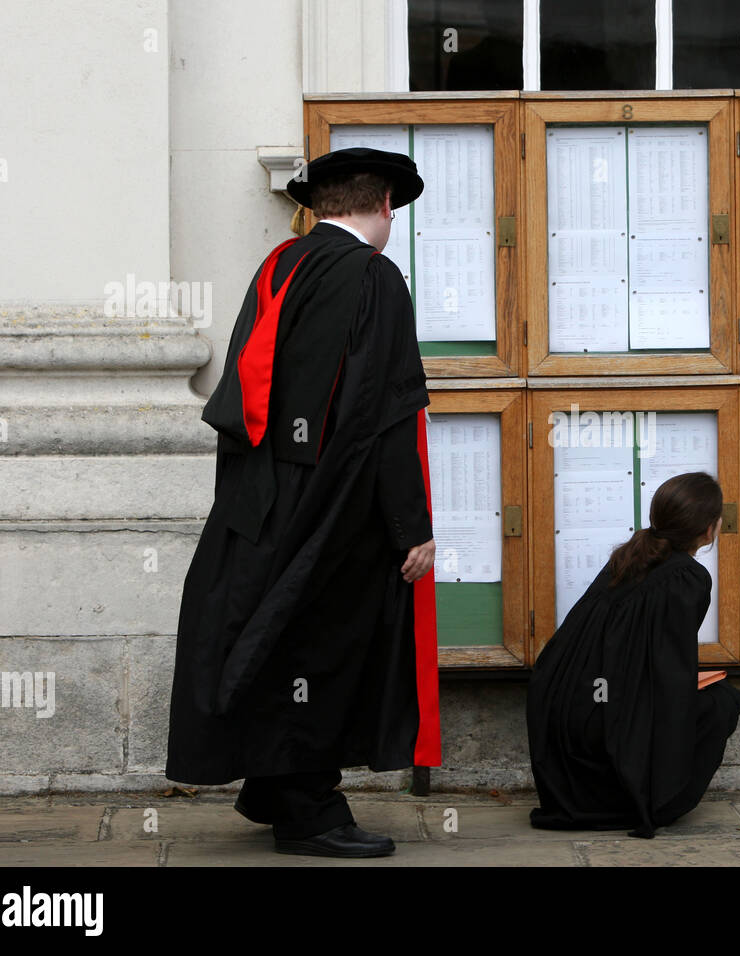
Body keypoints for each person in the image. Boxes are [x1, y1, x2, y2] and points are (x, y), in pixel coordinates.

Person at [165, 148, 440, 858]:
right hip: (334, 507)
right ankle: (310, 811)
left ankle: (273, 783)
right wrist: (411, 526)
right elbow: (385, 413)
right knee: (323, 648)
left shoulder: (281, 267)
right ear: (383, 204)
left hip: (259, 499)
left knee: (275, 637)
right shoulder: (373, 278)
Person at [526, 471, 740, 838]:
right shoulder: (686, 577)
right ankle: (655, 800)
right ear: (710, 529)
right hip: (603, 728)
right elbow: (667, 673)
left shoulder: (629, 557)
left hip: (563, 719)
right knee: (722, 701)